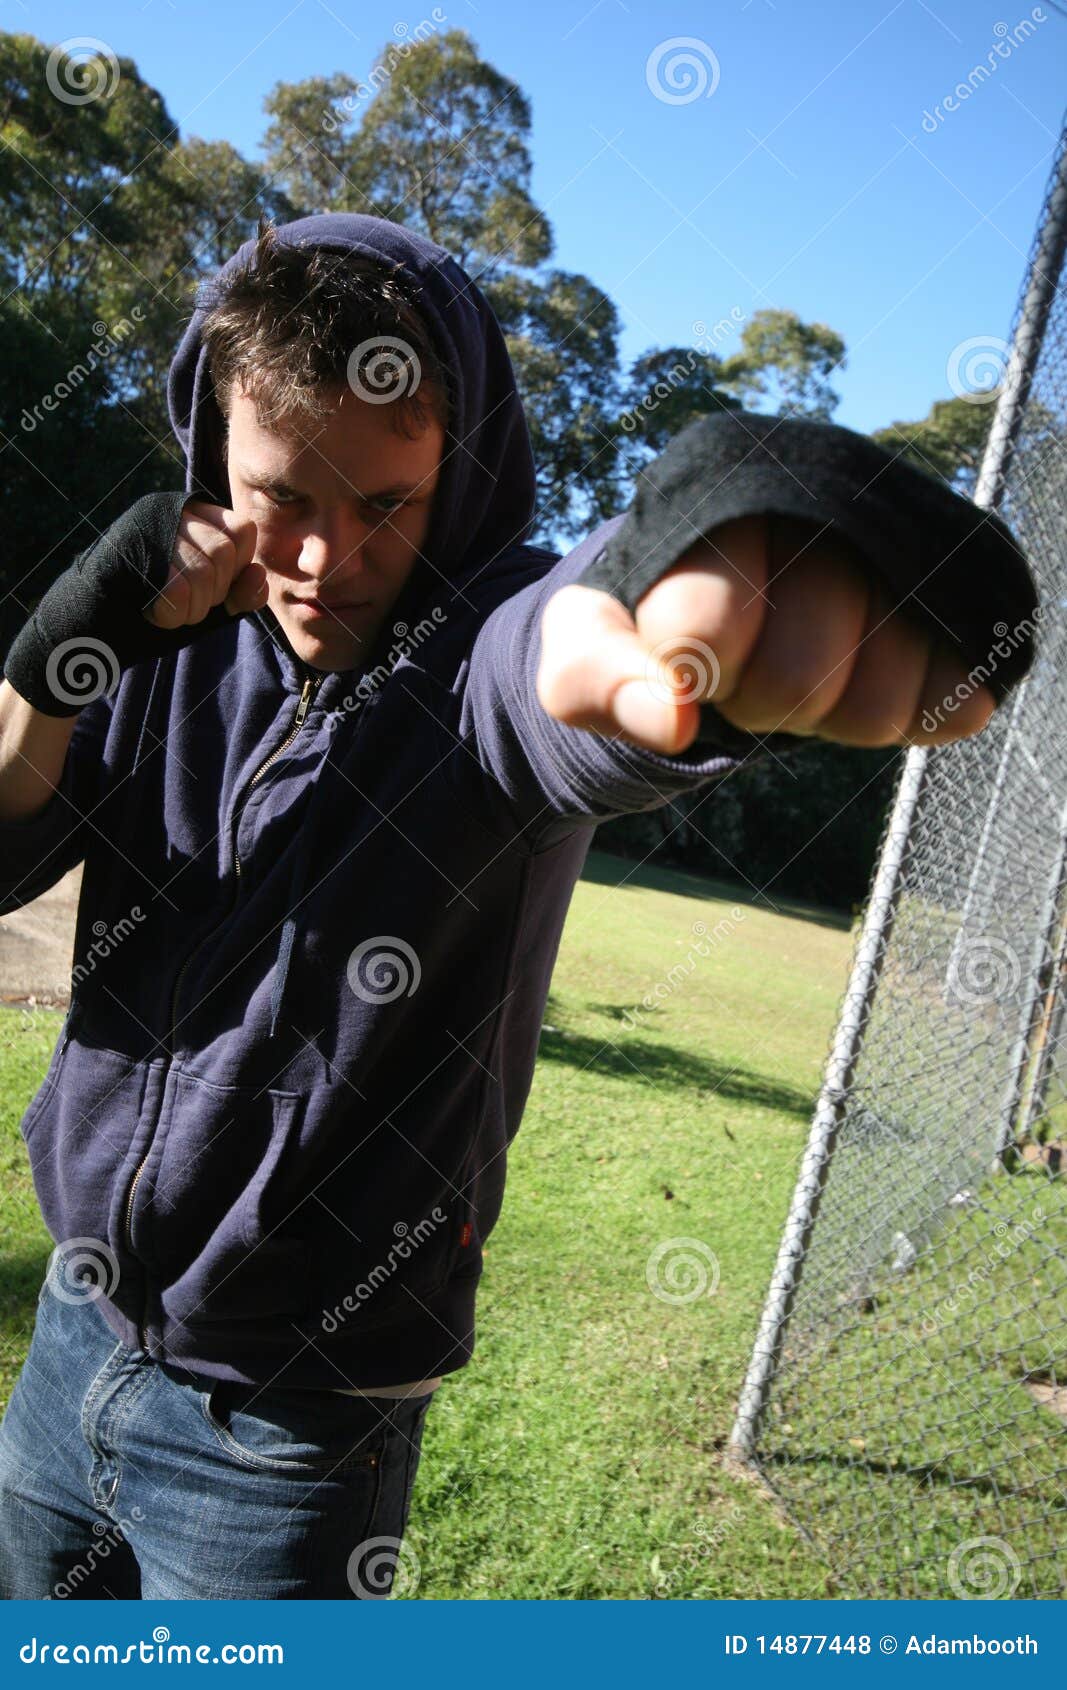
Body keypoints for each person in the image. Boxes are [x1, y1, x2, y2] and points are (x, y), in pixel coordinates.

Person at [0, 212, 1031, 1600]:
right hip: (70, 1343)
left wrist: (689, 548)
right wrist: (58, 656)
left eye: (385, 504)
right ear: (210, 461)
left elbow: (553, 664)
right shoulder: (163, 632)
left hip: (291, 1432)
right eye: (282, 497)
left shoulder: (479, 653)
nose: (322, 559)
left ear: (462, 472)